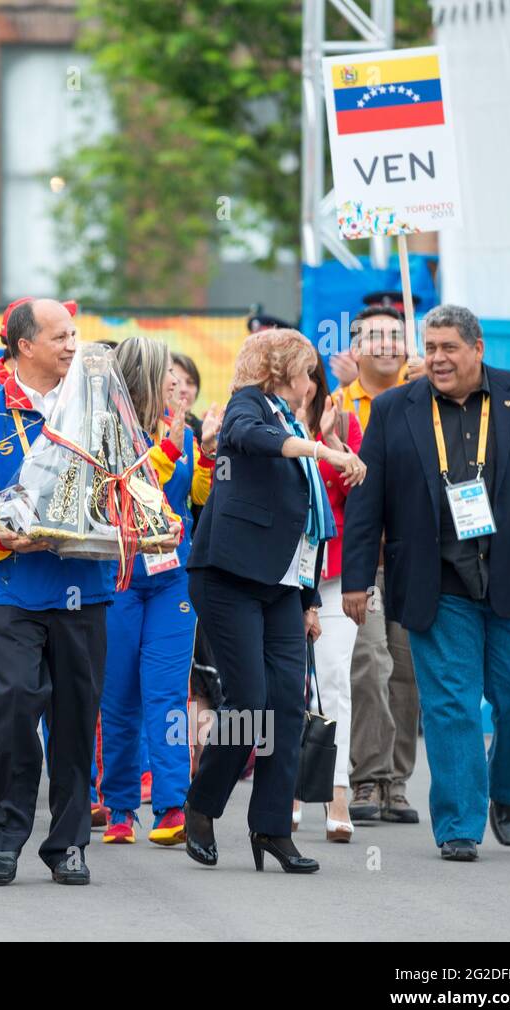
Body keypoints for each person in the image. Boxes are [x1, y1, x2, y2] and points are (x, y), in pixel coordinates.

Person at [342, 304, 510, 861]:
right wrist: (356, 580)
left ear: (478, 349)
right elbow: (367, 501)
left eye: (449, 347)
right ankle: (459, 826)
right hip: (436, 581)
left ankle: (506, 789)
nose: (437, 358)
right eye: (431, 347)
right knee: (450, 705)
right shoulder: (395, 408)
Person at [183, 328, 365, 875]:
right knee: (250, 704)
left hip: (284, 586)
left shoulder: (292, 422)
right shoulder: (249, 406)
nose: (312, 383)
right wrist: (321, 448)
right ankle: (202, 803)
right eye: (307, 372)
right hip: (228, 576)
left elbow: (306, 524)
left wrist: (310, 598)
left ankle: (272, 829)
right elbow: (247, 438)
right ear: (281, 369)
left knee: (287, 704)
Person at [0, 298, 115, 886]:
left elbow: (126, 480)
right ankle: (6, 835)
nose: (73, 345)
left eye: (74, 334)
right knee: (14, 706)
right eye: (61, 336)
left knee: (76, 719)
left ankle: (69, 842)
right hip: (13, 589)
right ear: (24, 345)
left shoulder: (97, 404)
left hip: (84, 588)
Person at [97, 337, 220, 847]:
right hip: (120, 579)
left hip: (173, 582)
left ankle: (173, 804)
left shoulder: (183, 430)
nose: (174, 381)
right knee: (118, 696)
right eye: (163, 372)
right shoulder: (104, 430)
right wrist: (170, 447)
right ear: (138, 376)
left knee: (168, 693)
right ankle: (121, 806)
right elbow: (132, 486)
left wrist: (208, 455)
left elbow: (197, 499)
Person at [332, 305, 422, 824]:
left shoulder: (428, 400)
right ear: (356, 347)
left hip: (414, 553)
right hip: (359, 556)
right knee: (369, 662)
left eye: (397, 335)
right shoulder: (338, 407)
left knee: (407, 671)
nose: (387, 344)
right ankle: (367, 777)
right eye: (375, 336)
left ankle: (397, 782)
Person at [292, 354, 364, 842]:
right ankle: (290, 790)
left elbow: (360, 490)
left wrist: (334, 444)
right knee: (287, 683)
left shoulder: (344, 421)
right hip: (278, 578)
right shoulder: (259, 418)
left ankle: (337, 791)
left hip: (334, 575)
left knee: (334, 679)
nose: (297, 382)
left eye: (303, 372)